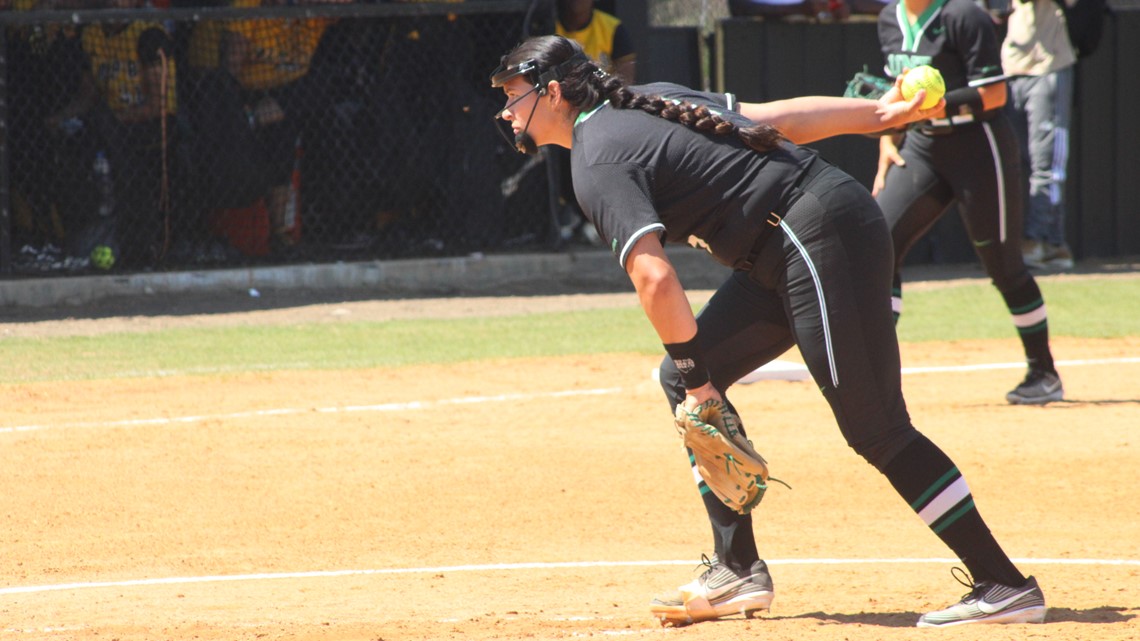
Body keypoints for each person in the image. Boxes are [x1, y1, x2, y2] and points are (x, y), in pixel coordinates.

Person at [490, 34, 1047, 629]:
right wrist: (883, 114)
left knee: (874, 427)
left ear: (551, 92)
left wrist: (701, 379)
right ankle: (737, 570)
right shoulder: (642, 100)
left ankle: (1003, 583)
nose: (504, 110)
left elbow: (654, 278)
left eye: (512, 94)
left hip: (817, 235)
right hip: (788, 247)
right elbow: (772, 119)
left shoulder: (596, 156)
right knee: (678, 382)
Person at [872, 0, 1064, 404]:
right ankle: (874, 376)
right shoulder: (889, 17)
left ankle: (1043, 372)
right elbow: (895, 96)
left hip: (979, 145)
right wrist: (887, 146)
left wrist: (943, 103)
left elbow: (995, 93)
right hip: (923, 146)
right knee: (878, 244)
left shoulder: (963, 15)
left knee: (1002, 263)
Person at [44, 0, 180, 268]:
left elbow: (159, 105)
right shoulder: (93, 34)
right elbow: (89, 94)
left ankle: (141, 248)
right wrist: (61, 119)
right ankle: (81, 239)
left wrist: (114, 121)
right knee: (75, 145)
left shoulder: (149, 33)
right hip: (112, 126)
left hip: (151, 124)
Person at [1001, 0, 1077, 271]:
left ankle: (1042, 240)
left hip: (1049, 64)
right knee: (1016, 160)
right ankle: (1043, 242)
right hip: (1012, 68)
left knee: (1046, 162)